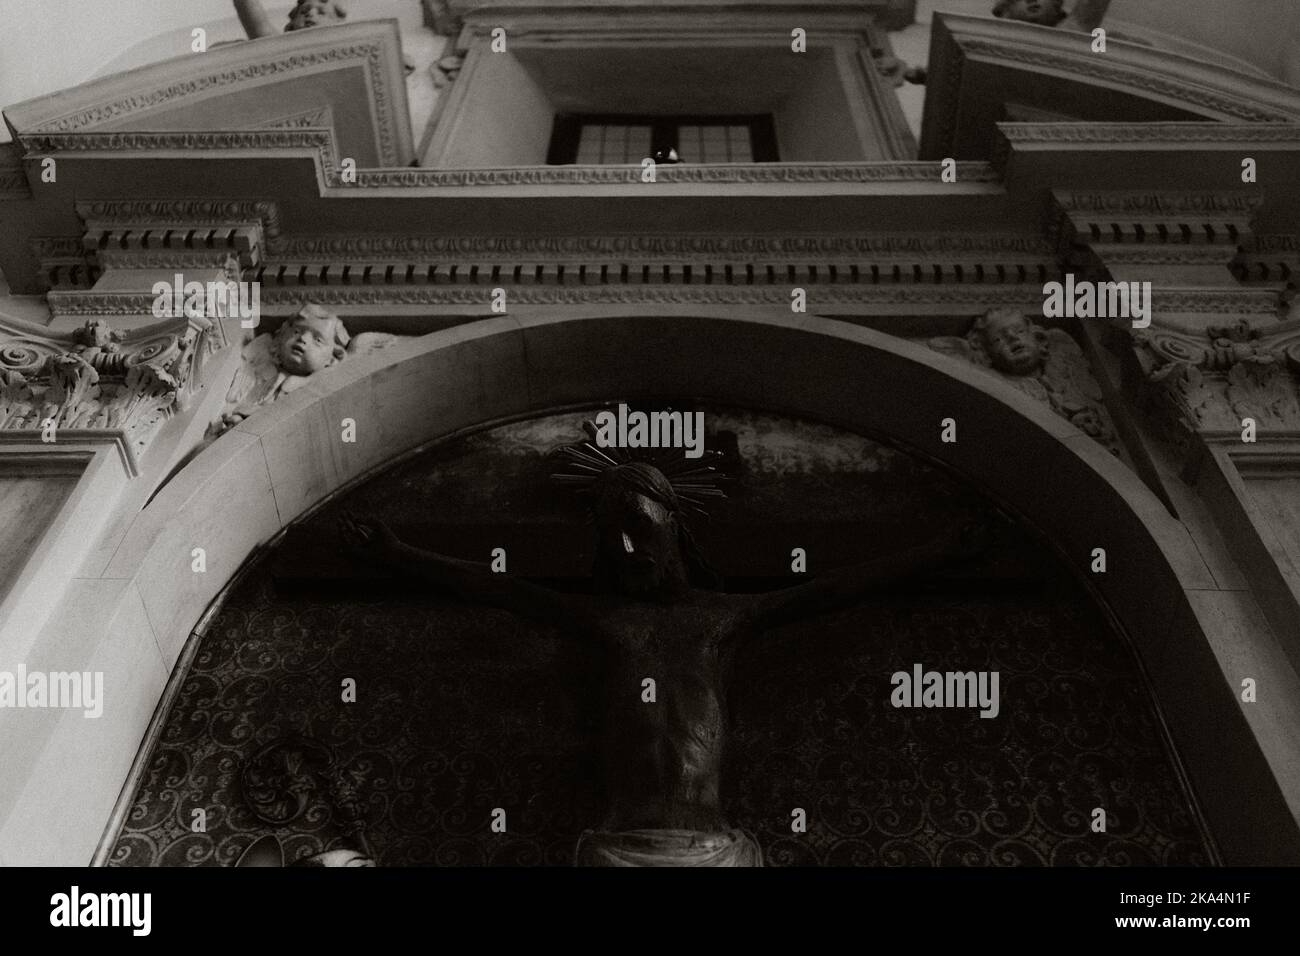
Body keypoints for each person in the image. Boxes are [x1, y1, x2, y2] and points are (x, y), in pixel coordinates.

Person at [339, 459, 987, 866]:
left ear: (674, 525)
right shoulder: (602, 618)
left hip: (718, 850)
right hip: (617, 848)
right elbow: (498, 588)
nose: (627, 548)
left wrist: (940, 554)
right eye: (611, 538)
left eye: (640, 527)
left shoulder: (724, 618)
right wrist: (398, 554)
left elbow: (838, 588)